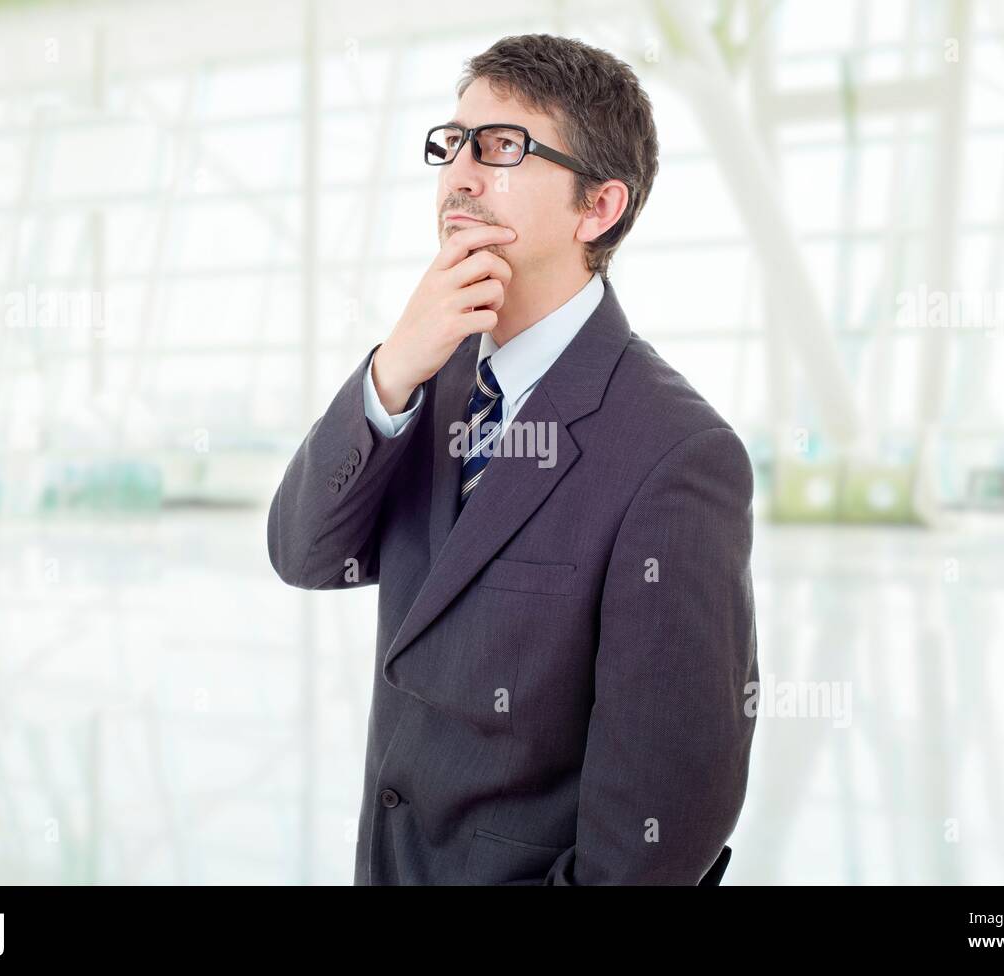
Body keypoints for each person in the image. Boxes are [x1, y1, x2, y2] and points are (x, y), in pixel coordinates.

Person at [268, 33, 758, 884]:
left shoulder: (678, 455)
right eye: (452, 143)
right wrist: (390, 372)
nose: (459, 172)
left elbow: (659, 831)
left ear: (598, 208)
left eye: (502, 147)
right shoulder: (429, 377)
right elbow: (304, 555)